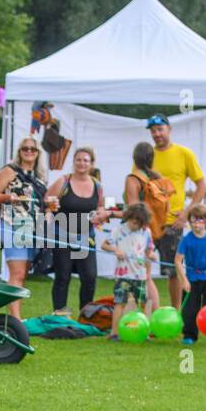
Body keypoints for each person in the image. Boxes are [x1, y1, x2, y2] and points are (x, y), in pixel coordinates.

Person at [146, 114, 206, 310]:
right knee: (140, 269)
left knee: (173, 270)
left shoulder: (184, 153)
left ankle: (176, 314)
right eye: (153, 131)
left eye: (160, 129)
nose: (157, 134)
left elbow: (201, 186)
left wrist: (186, 214)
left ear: (169, 129)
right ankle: (146, 313)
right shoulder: (147, 156)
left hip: (172, 223)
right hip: (148, 223)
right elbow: (136, 184)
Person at [45, 145, 111, 316]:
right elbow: (47, 199)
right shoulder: (64, 181)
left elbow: (101, 207)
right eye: (78, 160)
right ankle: (59, 314)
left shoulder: (97, 185)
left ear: (91, 164)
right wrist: (49, 209)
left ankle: (86, 314)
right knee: (63, 276)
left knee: (89, 277)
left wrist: (101, 215)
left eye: (86, 160)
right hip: (62, 237)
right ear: (73, 162)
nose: (82, 163)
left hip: (85, 237)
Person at [0, 136, 46, 320]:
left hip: (32, 228)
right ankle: (15, 319)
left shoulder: (39, 176)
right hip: (12, 224)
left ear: (38, 154)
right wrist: (9, 198)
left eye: (33, 149)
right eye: (25, 148)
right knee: (17, 273)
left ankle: (14, 316)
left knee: (22, 275)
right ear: (19, 152)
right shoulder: (9, 171)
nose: (29, 151)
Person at [123, 141, 174, 313]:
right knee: (147, 276)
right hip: (155, 230)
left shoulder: (133, 179)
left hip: (138, 233)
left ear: (134, 158)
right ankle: (152, 317)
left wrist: (111, 214)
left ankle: (140, 317)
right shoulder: (157, 178)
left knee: (135, 276)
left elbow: (133, 210)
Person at [100, 203, 155, 341]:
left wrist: (151, 255)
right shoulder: (118, 230)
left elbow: (148, 250)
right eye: (132, 221)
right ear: (128, 217)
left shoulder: (146, 232)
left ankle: (144, 331)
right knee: (120, 302)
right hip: (123, 275)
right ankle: (114, 333)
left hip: (140, 275)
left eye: (138, 223)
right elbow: (104, 245)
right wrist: (116, 250)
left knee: (142, 303)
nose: (134, 225)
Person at [178, 205, 206, 344]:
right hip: (192, 279)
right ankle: (190, 335)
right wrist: (184, 279)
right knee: (190, 308)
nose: (196, 223)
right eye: (193, 220)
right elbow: (178, 260)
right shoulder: (186, 240)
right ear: (189, 222)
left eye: (200, 220)